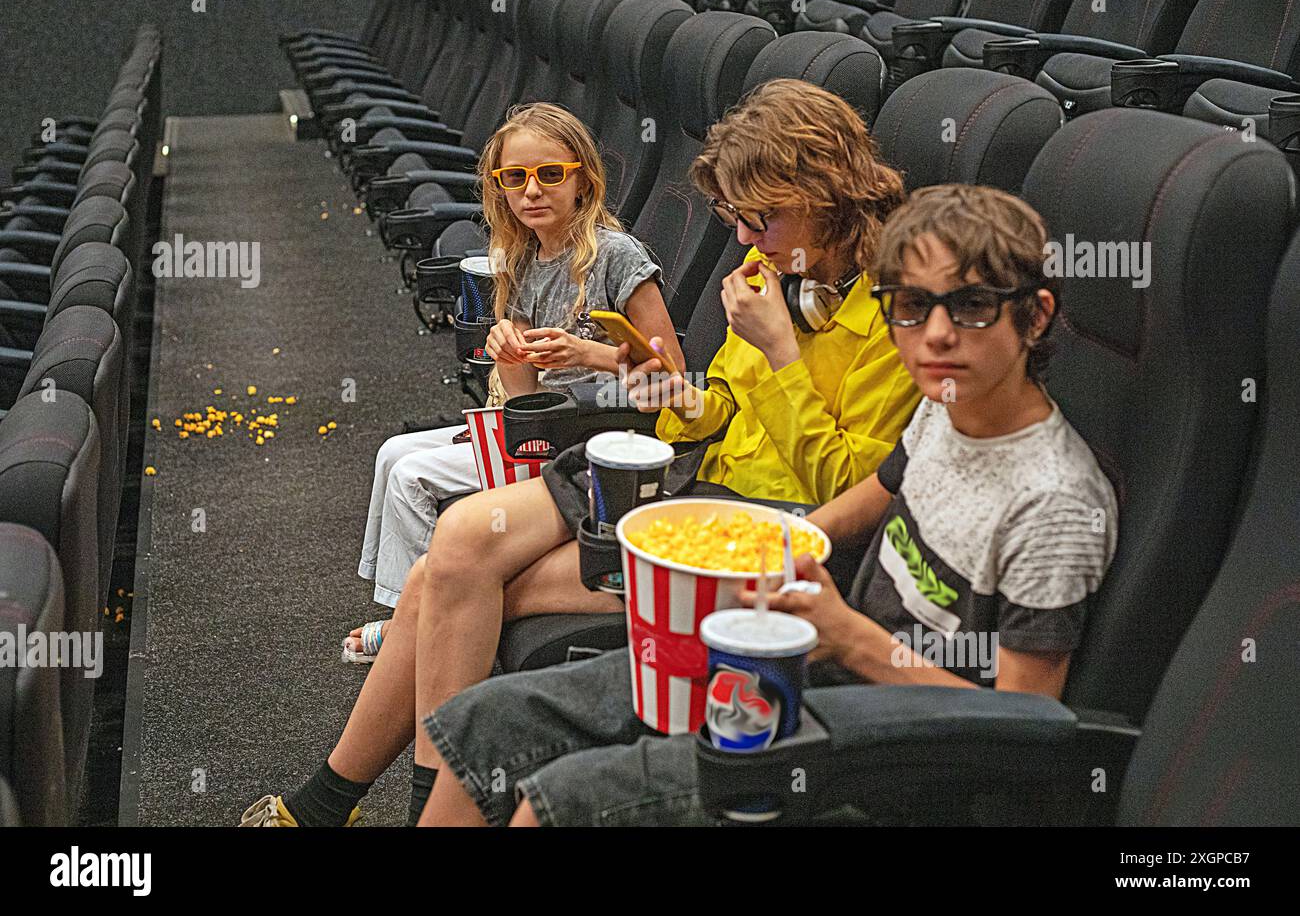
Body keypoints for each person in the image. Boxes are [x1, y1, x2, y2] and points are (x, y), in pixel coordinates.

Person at [239, 79, 919, 826]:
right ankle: (347, 803)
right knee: (457, 547)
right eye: (738, 221)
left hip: (769, 533)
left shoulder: (899, 310)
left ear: (826, 191)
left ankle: (369, 807)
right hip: (693, 487)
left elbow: (855, 486)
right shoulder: (778, 279)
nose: (749, 239)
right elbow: (714, 409)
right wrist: (648, 381)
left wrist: (783, 354)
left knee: (444, 581)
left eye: (764, 218)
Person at [416, 182, 1120, 827]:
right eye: (910, 306)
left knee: (556, 804)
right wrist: (757, 554)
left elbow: (1025, 724)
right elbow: (875, 492)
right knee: (480, 726)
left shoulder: (1053, 504)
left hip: (891, 754)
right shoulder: (946, 408)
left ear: (1034, 317)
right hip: (810, 666)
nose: (934, 336)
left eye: (969, 306)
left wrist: (848, 635)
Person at [347, 102, 681, 654]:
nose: (532, 191)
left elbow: (670, 374)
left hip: (601, 433)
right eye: (515, 178)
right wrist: (507, 350)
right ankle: (407, 611)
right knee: (391, 453)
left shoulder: (617, 257)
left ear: (583, 180)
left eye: (550, 175)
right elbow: (523, 390)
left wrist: (590, 354)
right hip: (542, 420)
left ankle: (415, 629)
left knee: (412, 477)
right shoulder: (524, 256)